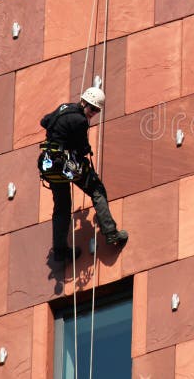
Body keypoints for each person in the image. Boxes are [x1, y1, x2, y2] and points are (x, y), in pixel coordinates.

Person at [38, 87, 128, 262]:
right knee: (97, 190)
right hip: (65, 165)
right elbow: (82, 147)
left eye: (97, 110)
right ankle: (111, 233)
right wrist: (78, 147)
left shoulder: (64, 108)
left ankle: (60, 251)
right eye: (93, 109)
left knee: (62, 207)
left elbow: (44, 121)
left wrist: (60, 136)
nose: (93, 113)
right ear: (84, 102)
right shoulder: (80, 120)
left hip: (49, 165)